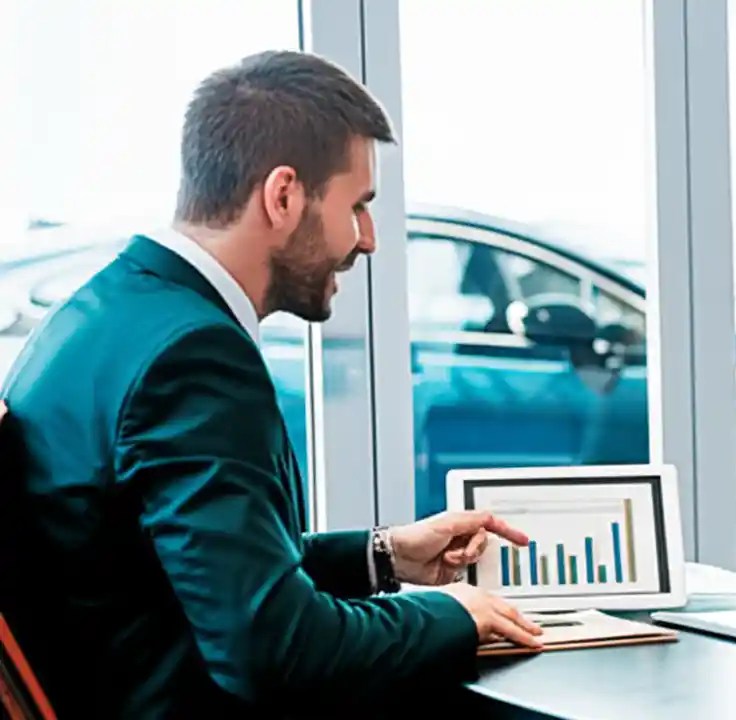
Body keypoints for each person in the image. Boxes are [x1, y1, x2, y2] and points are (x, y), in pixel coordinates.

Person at [0, 50, 543, 719]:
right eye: (358, 206)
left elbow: (182, 571)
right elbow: (276, 653)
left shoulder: (99, 312)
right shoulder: (193, 357)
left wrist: (384, 555)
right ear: (283, 196)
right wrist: (453, 615)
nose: (367, 240)